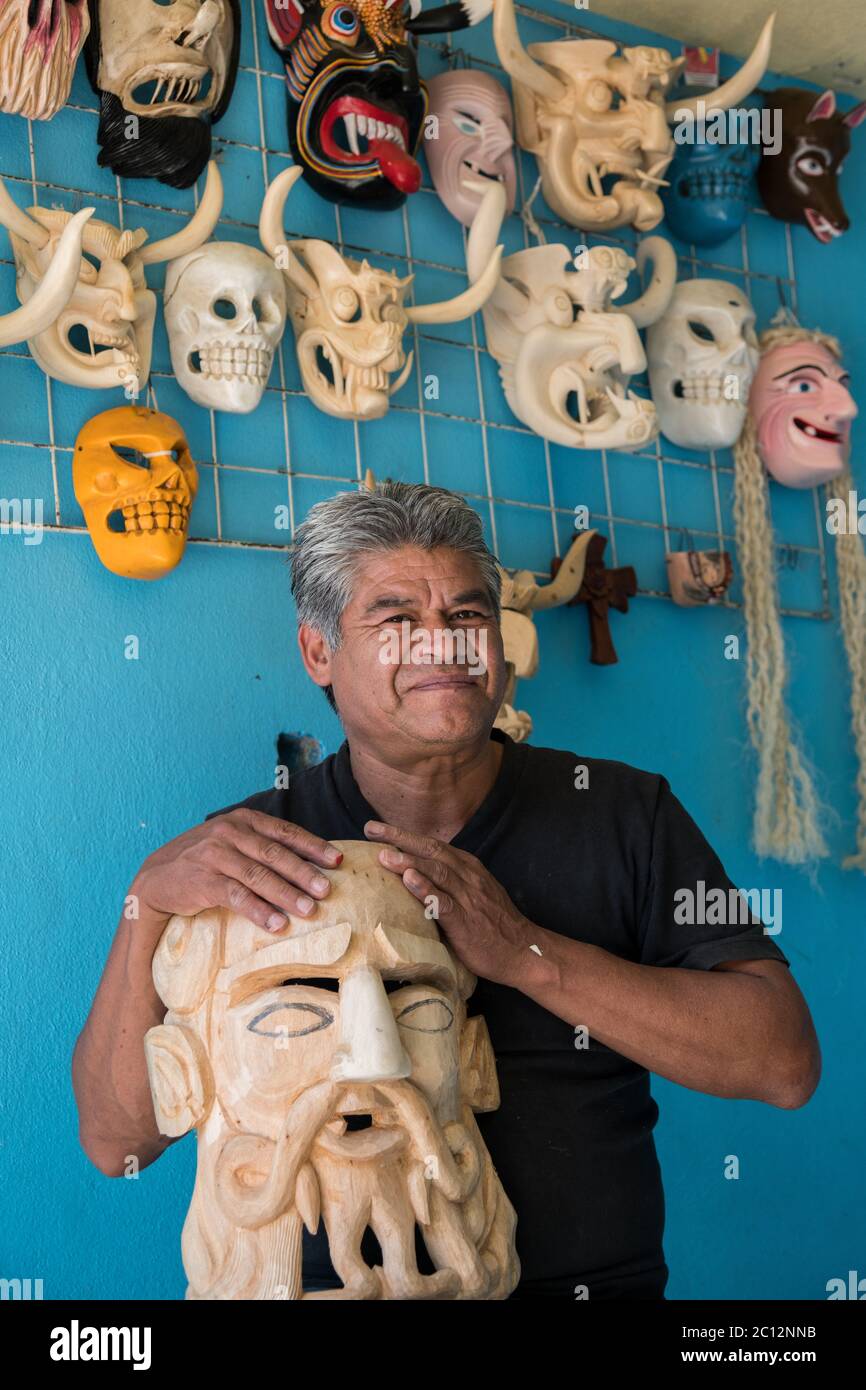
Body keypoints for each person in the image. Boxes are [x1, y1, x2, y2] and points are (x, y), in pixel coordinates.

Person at [72, 480, 820, 1299]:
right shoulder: (251, 851)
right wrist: (146, 904)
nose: (443, 648)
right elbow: (120, 1144)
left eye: (467, 617)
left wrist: (528, 956)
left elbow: (782, 1063)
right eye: (396, 621)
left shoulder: (619, 813)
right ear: (319, 653)